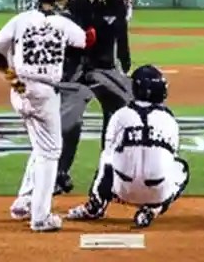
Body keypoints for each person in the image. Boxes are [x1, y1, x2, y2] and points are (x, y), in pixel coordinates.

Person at [0, 0, 95, 233]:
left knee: (41, 146)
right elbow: (88, 40)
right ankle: (40, 216)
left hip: (20, 90)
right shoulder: (63, 23)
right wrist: (86, 11)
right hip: (44, 93)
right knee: (51, 153)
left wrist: (13, 80)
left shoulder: (20, 19)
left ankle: (24, 201)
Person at [66, 65, 190, 229]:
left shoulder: (120, 115)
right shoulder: (169, 119)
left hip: (121, 191)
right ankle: (152, 210)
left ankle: (95, 205)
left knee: (108, 157)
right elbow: (169, 156)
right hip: (157, 193)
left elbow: (108, 155)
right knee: (181, 167)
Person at [55, 0, 133, 196]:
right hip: (79, 68)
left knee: (115, 121)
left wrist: (124, 61)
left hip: (106, 68)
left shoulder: (116, 2)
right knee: (69, 123)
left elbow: (122, 33)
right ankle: (60, 173)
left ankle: (108, 175)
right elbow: (71, 30)